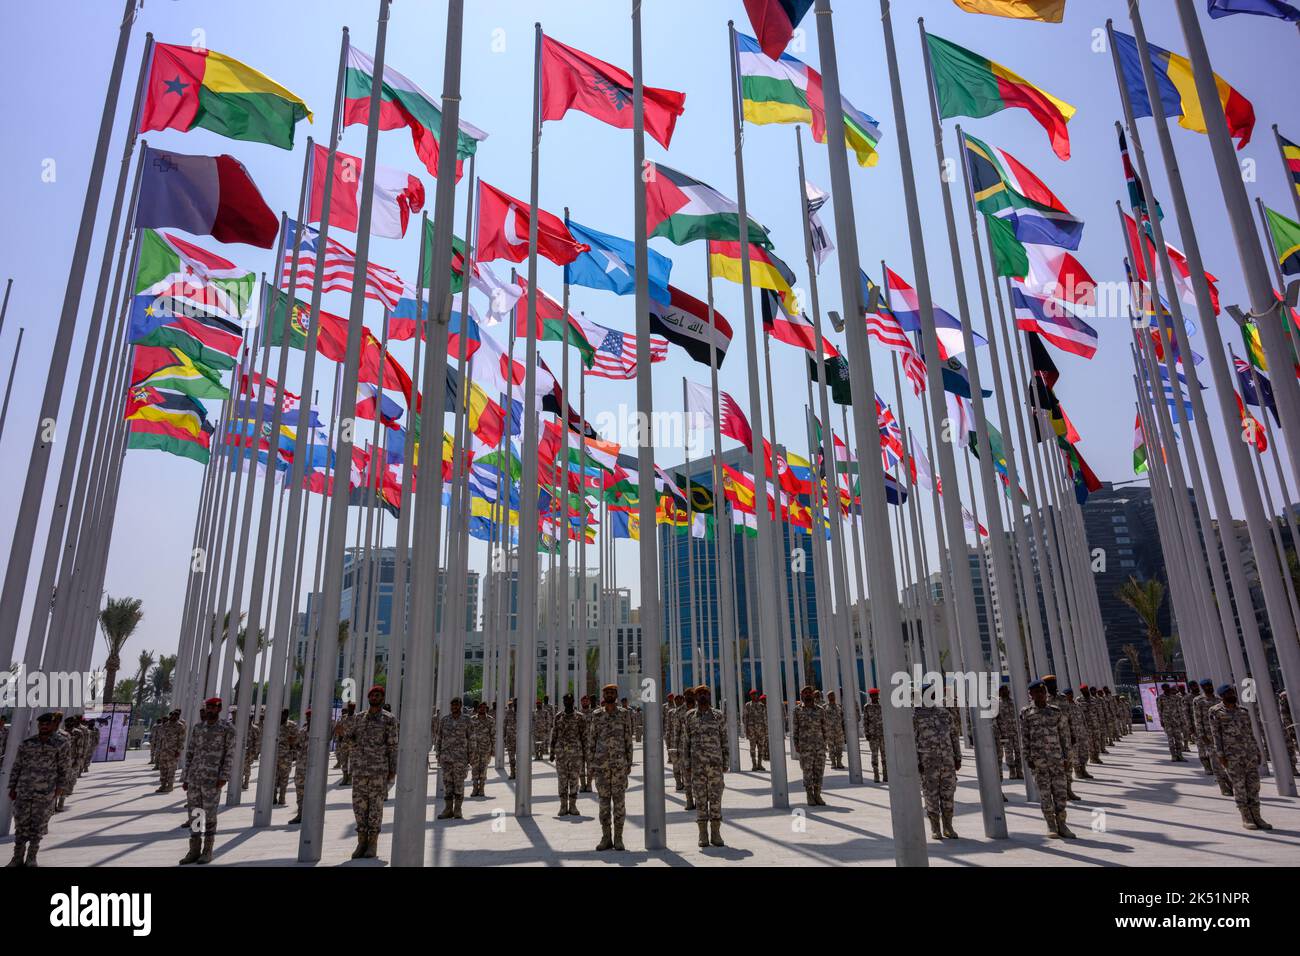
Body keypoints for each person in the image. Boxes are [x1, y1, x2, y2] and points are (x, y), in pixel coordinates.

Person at [6, 712, 70, 867]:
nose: (44, 726)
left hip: (45, 793)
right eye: (41, 724)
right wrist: (12, 786)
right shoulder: (28, 743)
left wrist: (60, 788)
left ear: (53, 725)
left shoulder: (61, 744)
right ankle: (17, 858)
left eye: (47, 724)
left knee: (38, 826)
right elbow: (17, 766)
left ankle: (31, 858)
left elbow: (64, 768)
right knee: (21, 825)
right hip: (24, 791)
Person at [180, 697, 236, 865]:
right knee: (195, 815)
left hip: (212, 780)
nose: (210, 710)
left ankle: (207, 851)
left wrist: (224, 776)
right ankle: (194, 851)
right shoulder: (198, 728)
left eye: (213, 707)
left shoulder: (227, 729)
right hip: (195, 779)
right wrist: (186, 777)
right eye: (208, 707)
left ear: (219, 709)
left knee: (210, 816)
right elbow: (190, 753)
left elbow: (229, 754)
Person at [1209, 684, 1272, 831]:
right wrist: (1220, 755)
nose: (1232, 694)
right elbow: (1216, 735)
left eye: (1232, 691)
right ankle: (1246, 817)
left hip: (1249, 754)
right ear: (1222, 696)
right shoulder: (1215, 712)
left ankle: (1257, 816)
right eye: (1228, 693)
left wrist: (1257, 751)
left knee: (1254, 785)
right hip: (1232, 756)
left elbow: (1250, 733)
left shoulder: (1243, 711)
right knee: (1239, 786)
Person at [346, 685, 398, 858]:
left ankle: (373, 843)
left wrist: (392, 769)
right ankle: (361, 841)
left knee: (375, 807)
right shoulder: (359, 718)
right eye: (372, 695)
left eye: (378, 695)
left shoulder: (389, 719)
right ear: (368, 698)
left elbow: (392, 746)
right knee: (359, 807)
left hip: (378, 771)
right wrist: (343, 735)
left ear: (382, 698)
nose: (374, 698)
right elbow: (350, 740)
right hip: (360, 770)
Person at [1020, 681, 1075, 838]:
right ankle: (1051, 824)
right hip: (1039, 762)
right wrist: (1027, 757)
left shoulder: (1055, 712)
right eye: (1036, 692)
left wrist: (1067, 757)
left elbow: (1064, 737)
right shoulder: (1026, 713)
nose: (1040, 694)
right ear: (1031, 694)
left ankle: (1062, 824)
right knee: (1045, 794)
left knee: (1060, 793)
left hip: (1057, 760)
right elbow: (1024, 737)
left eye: (1042, 691)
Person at [682, 684, 728, 847]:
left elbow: (724, 739)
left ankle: (716, 833)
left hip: (715, 765)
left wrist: (726, 762)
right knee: (700, 799)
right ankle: (703, 834)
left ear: (709, 696)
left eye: (705, 693)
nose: (702, 696)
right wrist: (686, 763)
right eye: (699, 693)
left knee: (715, 799)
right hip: (697, 767)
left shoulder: (718, 716)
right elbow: (686, 742)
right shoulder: (689, 716)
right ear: (695, 697)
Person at [590, 683, 633, 851]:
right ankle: (606, 837)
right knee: (603, 803)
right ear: (603, 695)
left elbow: (628, 739)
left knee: (619, 803)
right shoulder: (597, 715)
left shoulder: (624, 714)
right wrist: (591, 765)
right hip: (601, 766)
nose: (609, 694)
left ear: (616, 694)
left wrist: (629, 763)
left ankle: (619, 838)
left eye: (612, 692)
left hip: (619, 766)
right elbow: (592, 740)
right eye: (606, 692)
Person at [435, 698, 472, 819]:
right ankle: (448, 809)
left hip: (460, 758)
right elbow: (439, 737)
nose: (454, 707)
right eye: (452, 705)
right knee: (448, 784)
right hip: (446, 758)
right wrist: (438, 754)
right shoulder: (445, 720)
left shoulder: (466, 720)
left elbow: (472, 738)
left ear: (461, 706)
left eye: (456, 705)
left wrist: (471, 756)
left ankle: (458, 809)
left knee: (459, 783)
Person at [792, 686, 829, 806]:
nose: (808, 695)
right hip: (805, 746)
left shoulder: (820, 710)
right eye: (805, 693)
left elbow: (824, 728)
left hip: (819, 745)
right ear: (801, 695)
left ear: (813, 695)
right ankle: (809, 794)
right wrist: (796, 744)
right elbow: (795, 729)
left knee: (819, 770)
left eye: (810, 693)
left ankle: (817, 794)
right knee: (807, 771)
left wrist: (825, 743)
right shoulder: (797, 710)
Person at [551, 693, 586, 816]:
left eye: (570, 700)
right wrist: (551, 751)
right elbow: (554, 733)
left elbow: (584, 737)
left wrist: (586, 754)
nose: (568, 702)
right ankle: (563, 806)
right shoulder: (558, 717)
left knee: (574, 780)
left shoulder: (580, 717)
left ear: (574, 701)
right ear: (563, 702)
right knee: (562, 780)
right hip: (561, 755)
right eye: (566, 700)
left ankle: (573, 806)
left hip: (576, 754)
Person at [1196, 680, 1232, 795]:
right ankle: (1224, 787)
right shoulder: (1198, 701)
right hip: (1209, 736)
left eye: (1210, 685)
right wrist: (1201, 735)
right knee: (1216, 763)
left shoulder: (1218, 699)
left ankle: (1231, 784)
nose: (1208, 687)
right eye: (1206, 686)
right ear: (1202, 687)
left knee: (1228, 761)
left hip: (1223, 735)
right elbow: (1198, 718)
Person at [288, 709, 312, 824]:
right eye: (308, 717)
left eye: (311, 717)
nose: (309, 719)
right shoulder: (302, 731)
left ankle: (311, 815)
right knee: (300, 791)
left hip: (313, 769)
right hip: (301, 767)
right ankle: (300, 814)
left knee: (312, 792)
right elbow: (296, 745)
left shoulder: (319, 733)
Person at [994, 685, 1022, 780]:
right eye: (1002, 691)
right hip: (1004, 733)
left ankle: (1019, 770)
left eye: (1006, 690)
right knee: (1008, 752)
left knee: (1019, 751)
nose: (1005, 692)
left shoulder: (1013, 702)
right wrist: (1000, 733)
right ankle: (1012, 771)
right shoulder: (998, 704)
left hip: (1016, 731)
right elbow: (996, 719)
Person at [154, 709, 186, 794]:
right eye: (171, 715)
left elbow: (181, 740)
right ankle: (163, 785)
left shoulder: (180, 726)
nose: (173, 717)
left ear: (178, 717)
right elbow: (161, 736)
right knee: (162, 768)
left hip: (173, 751)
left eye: (175, 716)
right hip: (164, 750)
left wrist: (178, 751)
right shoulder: (165, 725)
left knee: (171, 769)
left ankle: (170, 785)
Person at [468, 701, 494, 798]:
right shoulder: (472, 720)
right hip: (474, 749)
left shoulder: (490, 720)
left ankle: (482, 788)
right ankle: (475, 788)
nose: (482, 709)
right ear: (477, 709)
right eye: (480, 708)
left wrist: (493, 749)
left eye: (484, 708)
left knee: (483, 769)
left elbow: (493, 735)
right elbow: (468, 734)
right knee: (474, 769)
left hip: (485, 748)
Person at [274, 709, 299, 806]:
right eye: (282, 714)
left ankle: (282, 798)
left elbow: (297, 739)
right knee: (274, 778)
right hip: (274, 756)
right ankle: (273, 797)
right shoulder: (274, 724)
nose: (284, 716)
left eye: (286, 715)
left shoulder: (292, 726)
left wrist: (294, 754)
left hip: (286, 756)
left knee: (284, 778)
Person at [861, 688, 887, 783]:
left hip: (882, 735)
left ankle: (885, 774)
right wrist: (866, 733)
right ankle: (876, 775)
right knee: (874, 755)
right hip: (873, 735)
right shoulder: (867, 707)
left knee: (884, 755)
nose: (875, 697)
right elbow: (865, 721)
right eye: (873, 695)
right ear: (870, 696)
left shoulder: (882, 706)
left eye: (876, 695)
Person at [333, 702, 356, 784]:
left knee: (353, 761)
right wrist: (340, 735)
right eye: (349, 707)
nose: (351, 708)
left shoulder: (357, 717)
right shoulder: (343, 717)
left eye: (352, 707)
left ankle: (350, 778)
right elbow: (338, 727)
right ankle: (345, 777)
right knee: (344, 760)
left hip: (353, 743)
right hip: (344, 742)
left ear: (354, 708)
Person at [825, 691, 846, 770]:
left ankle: (839, 762)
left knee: (839, 747)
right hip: (829, 731)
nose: (831, 697)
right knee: (831, 748)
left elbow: (843, 719)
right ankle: (833, 762)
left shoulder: (839, 707)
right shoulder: (825, 707)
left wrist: (844, 731)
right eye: (830, 696)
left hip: (839, 731)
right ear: (828, 697)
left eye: (833, 695)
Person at [503, 698, 517, 779]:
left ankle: (519, 773)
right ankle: (512, 773)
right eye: (514, 703)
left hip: (520, 740)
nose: (515, 705)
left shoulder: (522, 713)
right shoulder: (508, 713)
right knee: (511, 757)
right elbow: (504, 724)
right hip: (510, 738)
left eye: (516, 703)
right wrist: (504, 736)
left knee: (520, 758)